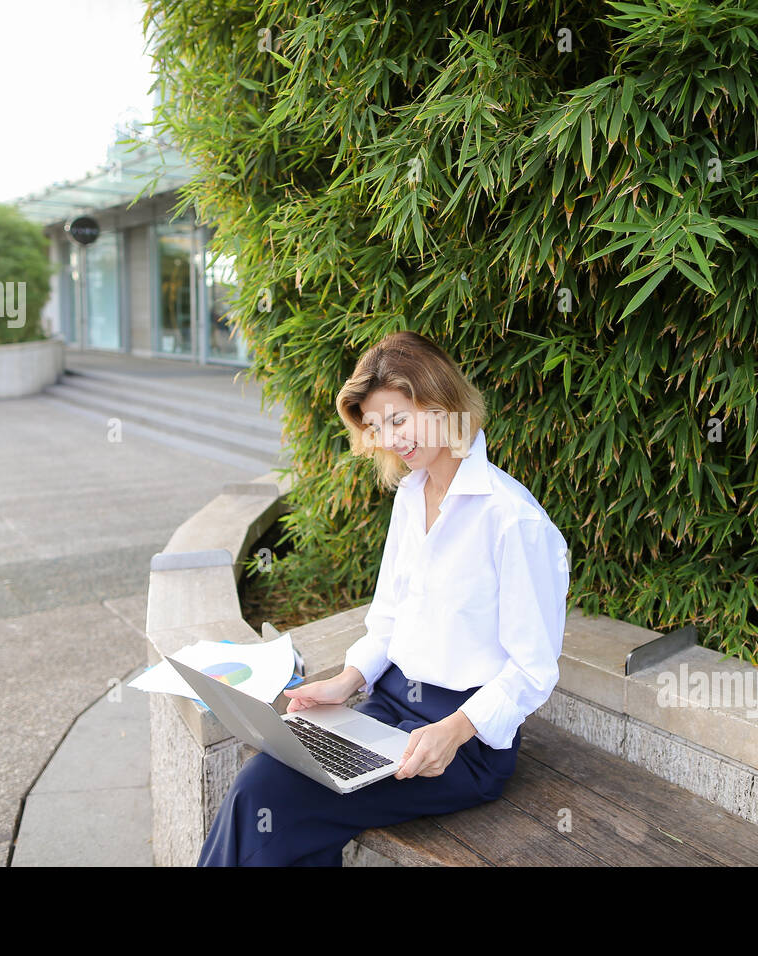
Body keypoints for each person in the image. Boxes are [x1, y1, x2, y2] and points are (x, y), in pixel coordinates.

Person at [197, 330, 571, 866]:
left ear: (441, 402)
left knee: (270, 802)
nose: (389, 439)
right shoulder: (412, 495)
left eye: (398, 419)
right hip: (386, 709)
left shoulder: (513, 521)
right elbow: (390, 617)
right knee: (266, 782)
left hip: (462, 745)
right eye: (375, 427)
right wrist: (347, 681)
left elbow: (534, 668)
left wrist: (456, 729)